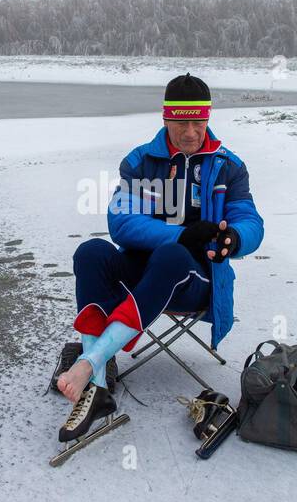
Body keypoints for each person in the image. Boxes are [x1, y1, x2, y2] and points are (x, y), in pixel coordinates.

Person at [55, 73, 265, 442]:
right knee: (91, 252)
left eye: (198, 121)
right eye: (181, 121)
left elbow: (250, 221)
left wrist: (235, 237)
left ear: (208, 118)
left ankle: (89, 364)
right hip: (142, 276)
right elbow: (122, 222)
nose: (190, 131)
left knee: (170, 257)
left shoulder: (228, 167)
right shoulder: (141, 162)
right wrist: (183, 233)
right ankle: (98, 390)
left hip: (197, 282)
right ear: (165, 118)